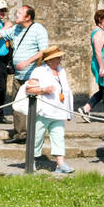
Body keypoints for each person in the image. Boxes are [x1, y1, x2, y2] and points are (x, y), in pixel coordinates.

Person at [25, 45, 74, 174]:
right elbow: (29, 89)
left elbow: (67, 91)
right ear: (48, 60)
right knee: (37, 138)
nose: (59, 60)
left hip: (59, 112)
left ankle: (60, 164)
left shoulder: (61, 71)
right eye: (57, 58)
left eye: (59, 57)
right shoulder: (39, 71)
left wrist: (69, 112)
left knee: (59, 138)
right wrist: (43, 90)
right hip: (44, 111)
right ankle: (31, 162)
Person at [6, 5, 49, 143]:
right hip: (18, 75)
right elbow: (0, 34)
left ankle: (34, 136)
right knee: (17, 105)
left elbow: (44, 51)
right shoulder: (16, 29)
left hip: (32, 75)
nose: (16, 14)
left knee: (33, 106)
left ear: (28, 17)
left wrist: (27, 62)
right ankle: (20, 135)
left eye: (19, 13)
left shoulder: (39, 30)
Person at [79, 9, 104, 122]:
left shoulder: (102, 31)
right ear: (100, 19)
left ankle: (86, 108)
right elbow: (98, 51)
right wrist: (101, 67)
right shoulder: (98, 33)